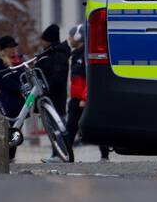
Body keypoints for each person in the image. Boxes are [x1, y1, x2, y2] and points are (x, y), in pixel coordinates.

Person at [64, 24, 110, 162]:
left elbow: (90, 79)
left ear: (78, 37)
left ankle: (104, 156)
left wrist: (85, 98)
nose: (69, 39)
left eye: (71, 36)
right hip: (75, 98)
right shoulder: (76, 55)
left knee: (96, 125)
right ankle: (66, 154)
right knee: (70, 127)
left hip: (83, 99)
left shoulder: (84, 55)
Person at [36, 23, 72, 163]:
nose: (42, 42)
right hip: (52, 95)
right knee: (53, 127)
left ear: (49, 40)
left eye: (44, 40)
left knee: (57, 127)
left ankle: (60, 154)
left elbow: (56, 77)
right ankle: (57, 153)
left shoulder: (57, 55)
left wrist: (46, 87)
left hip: (54, 97)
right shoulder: (53, 53)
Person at [0, 35, 24, 161]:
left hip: (21, 101)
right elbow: (3, 80)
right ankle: (6, 157)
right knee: (10, 129)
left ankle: (11, 157)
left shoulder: (18, 60)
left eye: (14, 46)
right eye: (10, 47)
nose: (13, 49)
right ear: (3, 49)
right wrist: (19, 87)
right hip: (9, 101)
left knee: (17, 129)